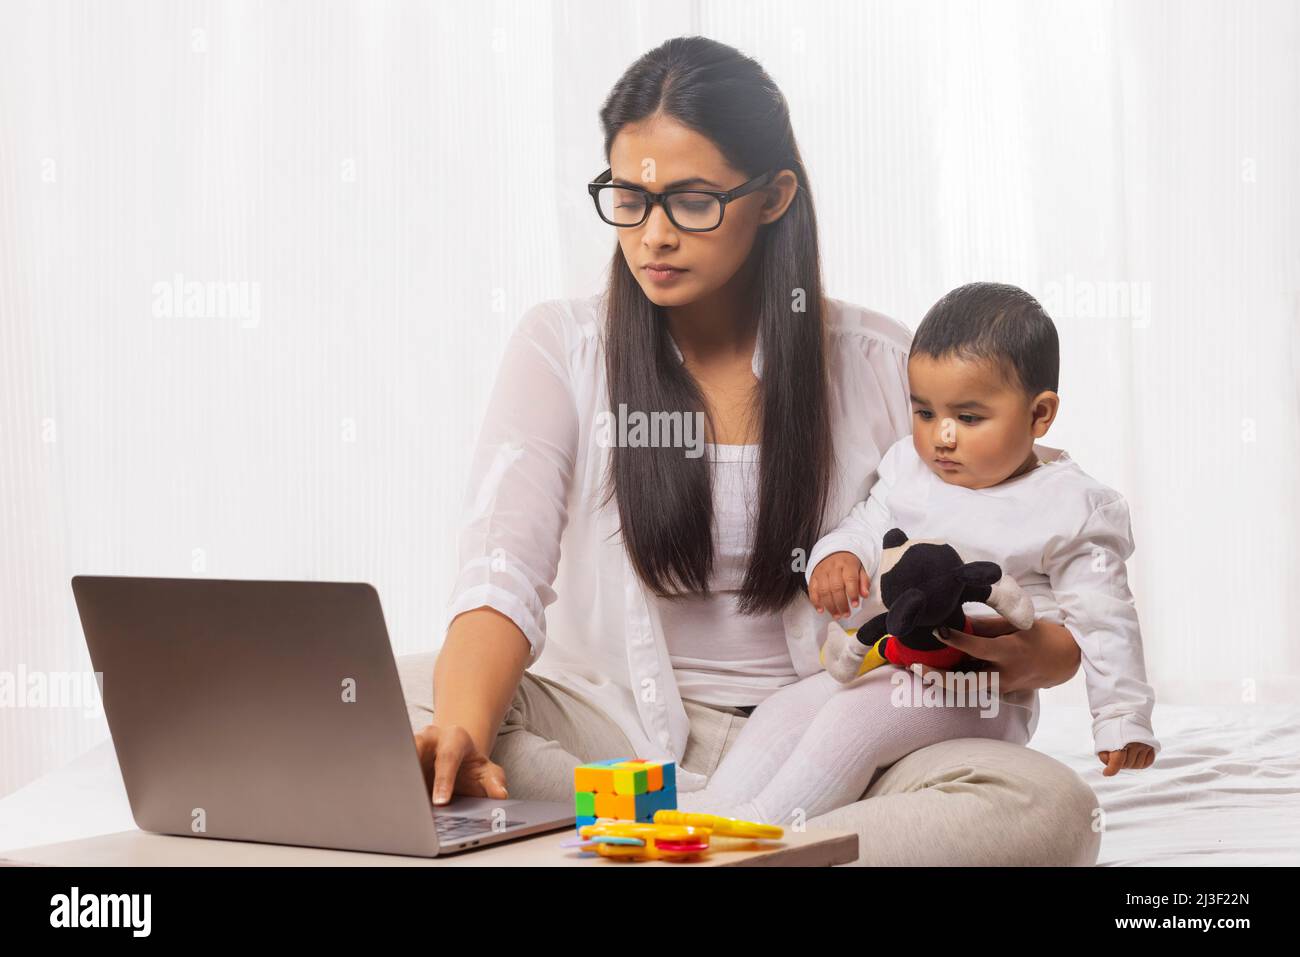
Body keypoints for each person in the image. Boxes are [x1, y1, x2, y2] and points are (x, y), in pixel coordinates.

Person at [406, 36, 1101, 865]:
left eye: (692, 202)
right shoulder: (563, 345)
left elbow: (1012, 537)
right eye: (629, 198)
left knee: (1051, 807)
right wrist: (462, 730)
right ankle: (745, 842)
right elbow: (502, 574)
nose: (653, 236)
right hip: (621, 734)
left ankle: (705, 841)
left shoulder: (881, 363)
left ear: (773, 197)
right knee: (405, 701)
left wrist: (1027, 655)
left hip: (839, 739)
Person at [674, 282, 1159, 826]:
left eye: (968, 418)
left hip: (983, 693)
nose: (941, 437)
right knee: (787, 709)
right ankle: (709, 811)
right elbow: (868, 522)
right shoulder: (910, 467)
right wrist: (838, 554)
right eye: (924, 412)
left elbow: (1106, 620)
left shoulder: (1073, 505)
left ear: (1039, 414)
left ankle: (766, 828)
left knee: (856, 719)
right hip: (892, 661)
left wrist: (1121, 718)